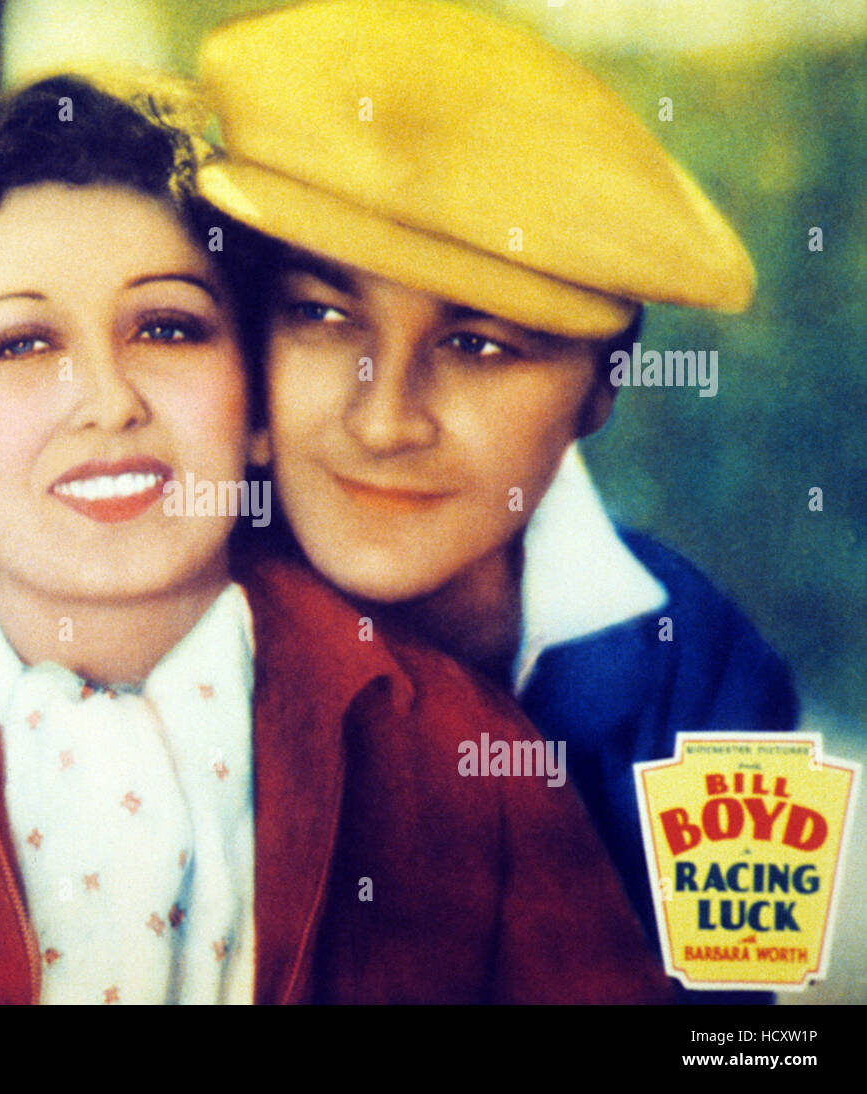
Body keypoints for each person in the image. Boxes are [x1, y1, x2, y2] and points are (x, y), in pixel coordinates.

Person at [0, 74, 672, 1005]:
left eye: (166, 326)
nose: (105, 399)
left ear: (253, 407)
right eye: (18, 343)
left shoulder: (460, 755)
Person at [194, 0, 798, 972]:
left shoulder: (716, 679)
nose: (384, 418)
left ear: (601, 388)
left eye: (478, 345)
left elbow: (726, 1032)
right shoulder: (143, 611)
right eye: (320, 314)